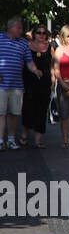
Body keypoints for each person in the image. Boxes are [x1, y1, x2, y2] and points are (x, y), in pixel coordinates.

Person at [1, 17, 40, 149]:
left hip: (17, 84)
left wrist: (35, 70)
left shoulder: (23, 43)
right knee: (1, 113)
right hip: (1, 84)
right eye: (19, 28)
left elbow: (29, 61)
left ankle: (11, 139)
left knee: (14, 113)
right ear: (11, 28)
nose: (21, 30)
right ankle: (0, 140)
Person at [21, 26, 53, 149]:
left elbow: (53, 64)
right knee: (27, 108)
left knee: (41, 109)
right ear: (34, 34)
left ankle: (38, 139)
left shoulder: (50, 47)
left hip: (44, 82)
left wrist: (53, 79)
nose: (41, 35)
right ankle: (24, 135)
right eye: (38, 33)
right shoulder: (27, 46)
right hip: (28, 82)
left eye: (44, 33)